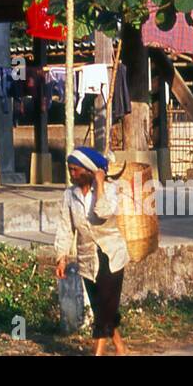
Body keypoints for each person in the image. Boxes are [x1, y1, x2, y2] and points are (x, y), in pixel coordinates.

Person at [54, 146, 129, 355]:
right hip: (86, 257)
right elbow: (65, 226)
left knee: (106, 304)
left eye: (76, 170)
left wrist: (100, 184)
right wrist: (61, 256)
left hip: (110, 254)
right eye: (70, 169)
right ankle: (121, 347)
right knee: (100, 306)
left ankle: (97, 351)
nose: (72, 174)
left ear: (89, 170)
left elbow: (103, 212)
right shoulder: (70, 195)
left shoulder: (111, 190)